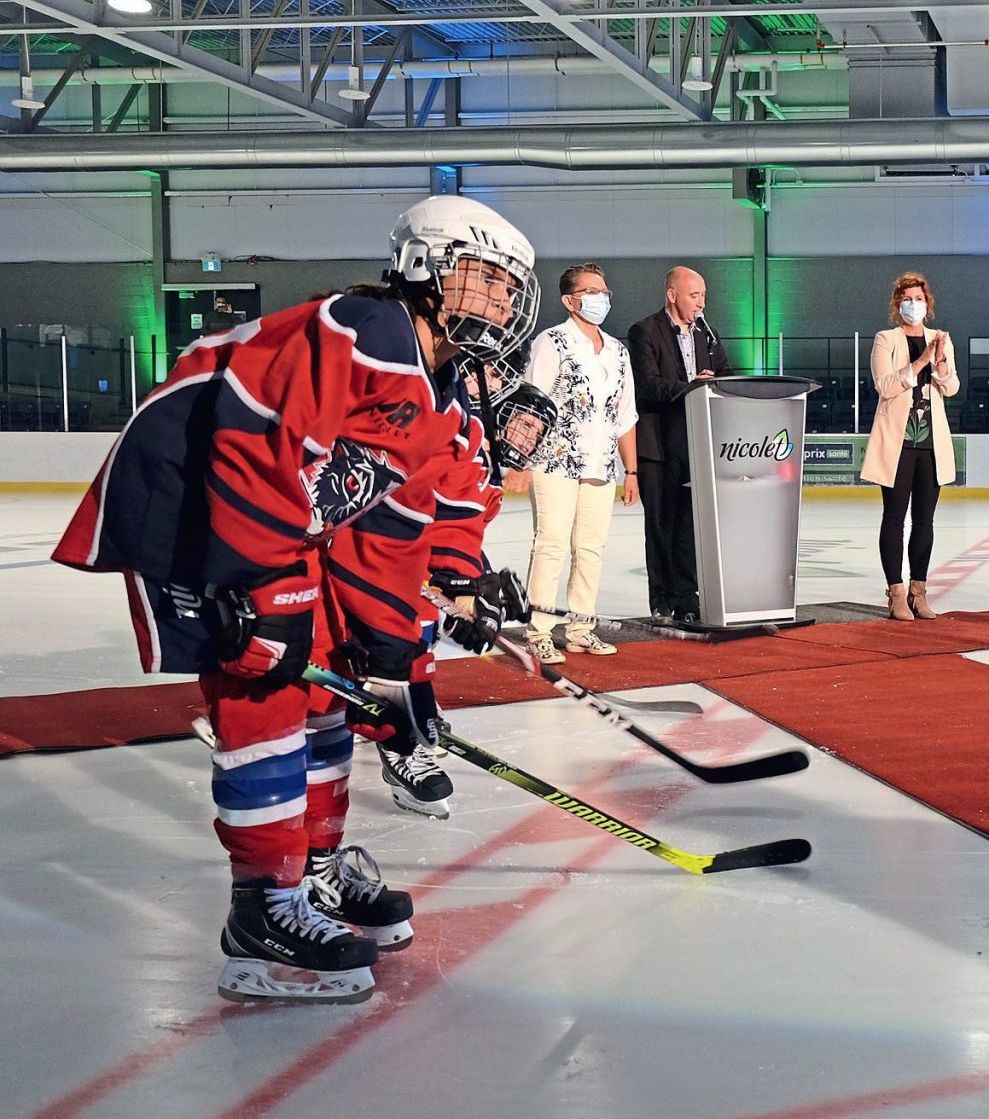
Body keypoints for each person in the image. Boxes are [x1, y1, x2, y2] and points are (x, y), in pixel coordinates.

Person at [52, 194, 541, 1004]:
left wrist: (391, 653)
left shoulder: (436, 385)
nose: (499, 300)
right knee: (263, 686)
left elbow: (391, 528)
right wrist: (266, 588)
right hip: (192, 504)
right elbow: (255, 435)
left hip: (274, 523)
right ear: (425, 266)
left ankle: (311, 872)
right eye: (483, 277)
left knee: (329, 692)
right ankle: (261, 906)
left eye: (506, 286)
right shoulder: (368, 331)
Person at [517, 263, 639, 661]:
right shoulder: (551, 342)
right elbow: (531, 403)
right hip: (554, 460)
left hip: (601, 464)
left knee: (590, 547)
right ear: (570, 300)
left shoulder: (618, 351)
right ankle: (539, 630)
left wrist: (631, 470)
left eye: (604, 291)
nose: (600, 298)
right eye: (591, 291)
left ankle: (581, 626)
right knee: (551, 544)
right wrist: (518, 460)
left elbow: (625, 415)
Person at [627, 265, 733, 624]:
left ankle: (688, 597)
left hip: (695, 444)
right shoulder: (644, 331)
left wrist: (714, 382)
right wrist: (692, 386)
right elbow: (649, 385)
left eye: (703, 295)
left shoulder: (708, 335)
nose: (701, 302)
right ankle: (662, 598)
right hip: (657, 446)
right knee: (660, 524)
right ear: (672, 295)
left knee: (688, 525)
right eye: (694, 295)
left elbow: (727, 375)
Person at [859, 273, 959, 620]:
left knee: (925, 521)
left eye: (918, 298)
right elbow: (885, 386)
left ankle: (919, 590)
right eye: (906, 299)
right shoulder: (886, 339)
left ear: (927, 303)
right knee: (894, 518)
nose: (912, 304)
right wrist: (920, 361)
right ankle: (896, 592)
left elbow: (951, 388)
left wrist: (941, 359)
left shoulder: (940, 339)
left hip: (931, 442)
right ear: (896, 304)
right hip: (899, 442)